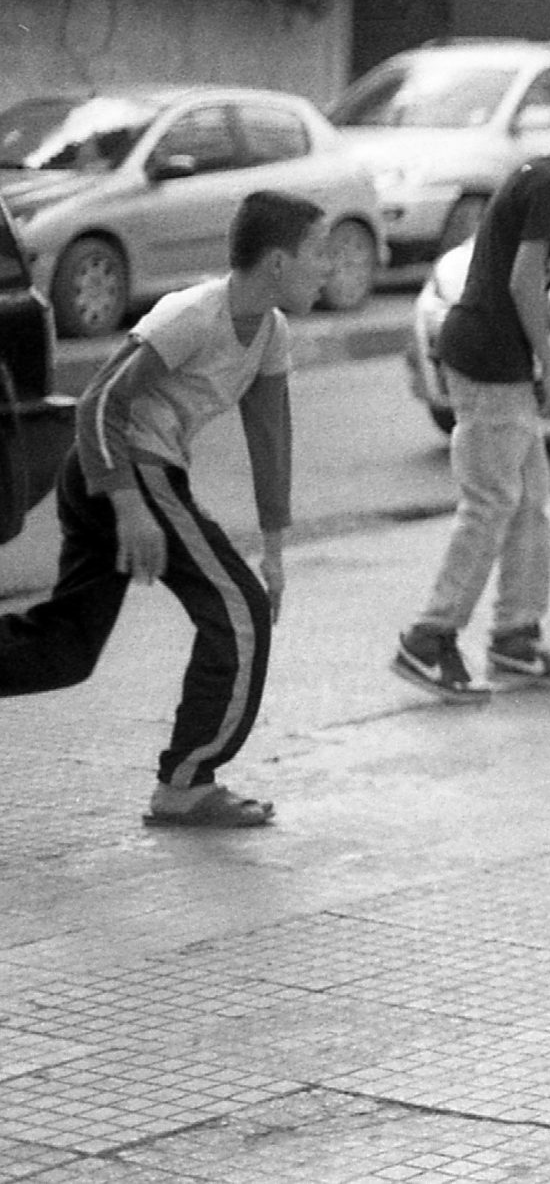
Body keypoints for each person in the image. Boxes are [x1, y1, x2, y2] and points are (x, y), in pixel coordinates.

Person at [0, 191, 331, 827]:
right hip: (122, 470)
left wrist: (276, 551)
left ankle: (186, 778)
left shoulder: (270, 331)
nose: (327, 266)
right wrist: (129, 507)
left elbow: (271, 441)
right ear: (279, 263)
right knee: (240, 615)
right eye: (317, 253)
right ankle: (186, 783)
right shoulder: (193, 315)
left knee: (67, 649)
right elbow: (98, 403)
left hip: (144, 479)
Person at [392, 78, 550, 701]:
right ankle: (430, 638)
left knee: (527, 501)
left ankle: (516, 638)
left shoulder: (538, 179)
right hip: (490, 363)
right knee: (492, 504)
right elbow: (524, 286)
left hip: (491, 357)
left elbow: (534, 287)